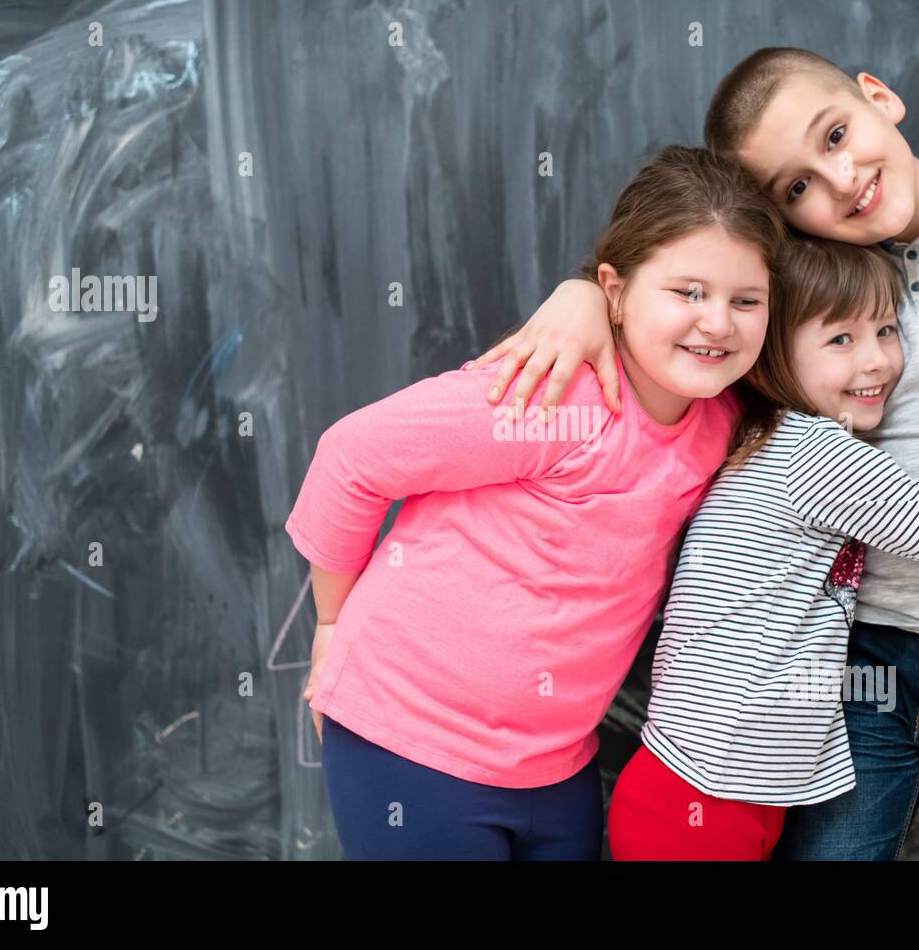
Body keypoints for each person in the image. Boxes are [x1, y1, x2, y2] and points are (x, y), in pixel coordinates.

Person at [464, 46, 919, 859]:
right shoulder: (800, 280)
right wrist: (586, 296)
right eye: (796, 187)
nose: (839, 181)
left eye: (837, 134)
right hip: (849, 662)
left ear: (879, 96)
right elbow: (688, 277)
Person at [284, 145, 784, 859]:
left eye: (746, 301)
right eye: (688, 292)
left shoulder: (722, 424)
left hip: (557, 764)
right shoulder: (549, 392)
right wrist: (331, 621)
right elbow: (351, 458)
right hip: (409, 739)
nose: (718, 323)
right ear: (614, 290)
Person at [605, 233, 919, 860]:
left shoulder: (766, 434)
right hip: (700, 801)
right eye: (840, 339)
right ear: (773, 355)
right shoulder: (818, 458)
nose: (875, 360)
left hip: (725, 791)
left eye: (886, 330)